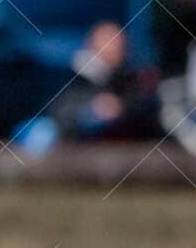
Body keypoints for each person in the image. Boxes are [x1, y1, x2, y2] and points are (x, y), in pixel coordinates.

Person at [15, 21, 159, 153]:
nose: (115, 48)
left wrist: (120, 108)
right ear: (92, 44)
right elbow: (58, 113)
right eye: (110, 42)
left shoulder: (131, 77)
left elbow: (144, 110)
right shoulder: (72, 76)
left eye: (119, 44)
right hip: (75, 145)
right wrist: (92, 110)